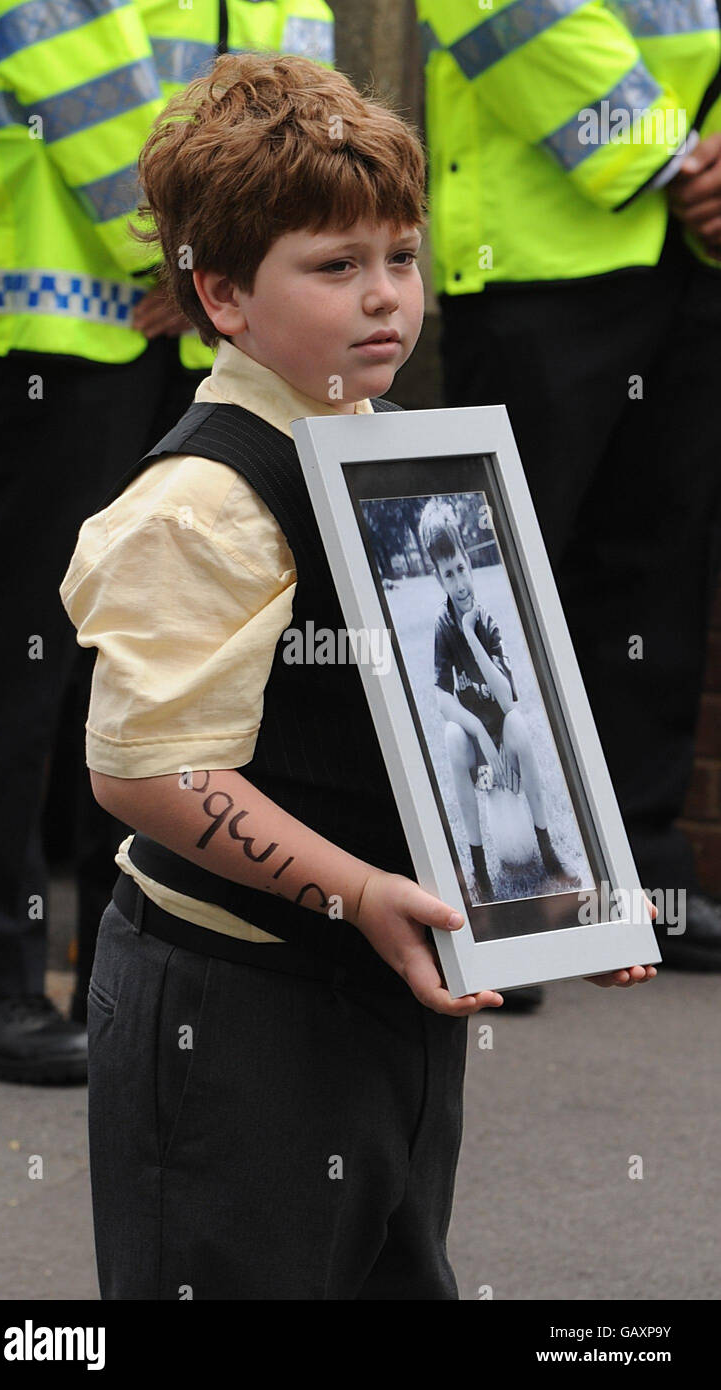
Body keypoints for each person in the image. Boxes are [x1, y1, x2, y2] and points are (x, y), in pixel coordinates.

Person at [59, 51, 656, 1301]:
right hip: (234, 1008)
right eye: (334, 268)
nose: (385, 297)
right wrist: (359, 894)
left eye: (400, 256)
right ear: (221, 295)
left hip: (387, 984)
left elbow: (464, 709)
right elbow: (151, 771)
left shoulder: (397, 454)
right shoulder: (203, 505)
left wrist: (549, 896)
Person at [0, 0, 335, 1084]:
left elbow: (302, 107)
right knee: (19, 659)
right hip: (61, 323)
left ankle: (125, 954)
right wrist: (191, 252)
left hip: (189, 316)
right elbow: (68, 71)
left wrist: (216, 262)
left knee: (140, 661)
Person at [417, 0, 721, 981]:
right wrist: (672, 159)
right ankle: (497, 894)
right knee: (490, 586)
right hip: (545, 248)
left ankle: (637, 876)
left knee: (657, 570)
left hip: (687, 250)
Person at [419, 497, 579, 901]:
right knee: (453, 736)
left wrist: (472, 636)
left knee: (519, 723)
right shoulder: (443, 625)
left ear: (468, 564)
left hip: (505, 738)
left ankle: (549, 855)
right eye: (448, 575)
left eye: (460, 569)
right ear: (439, 579)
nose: (458, 582)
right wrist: (482, 738)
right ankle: (478, 872)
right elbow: (440, 698)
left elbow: (508, 701)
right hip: (479, 745)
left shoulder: (485, 623)